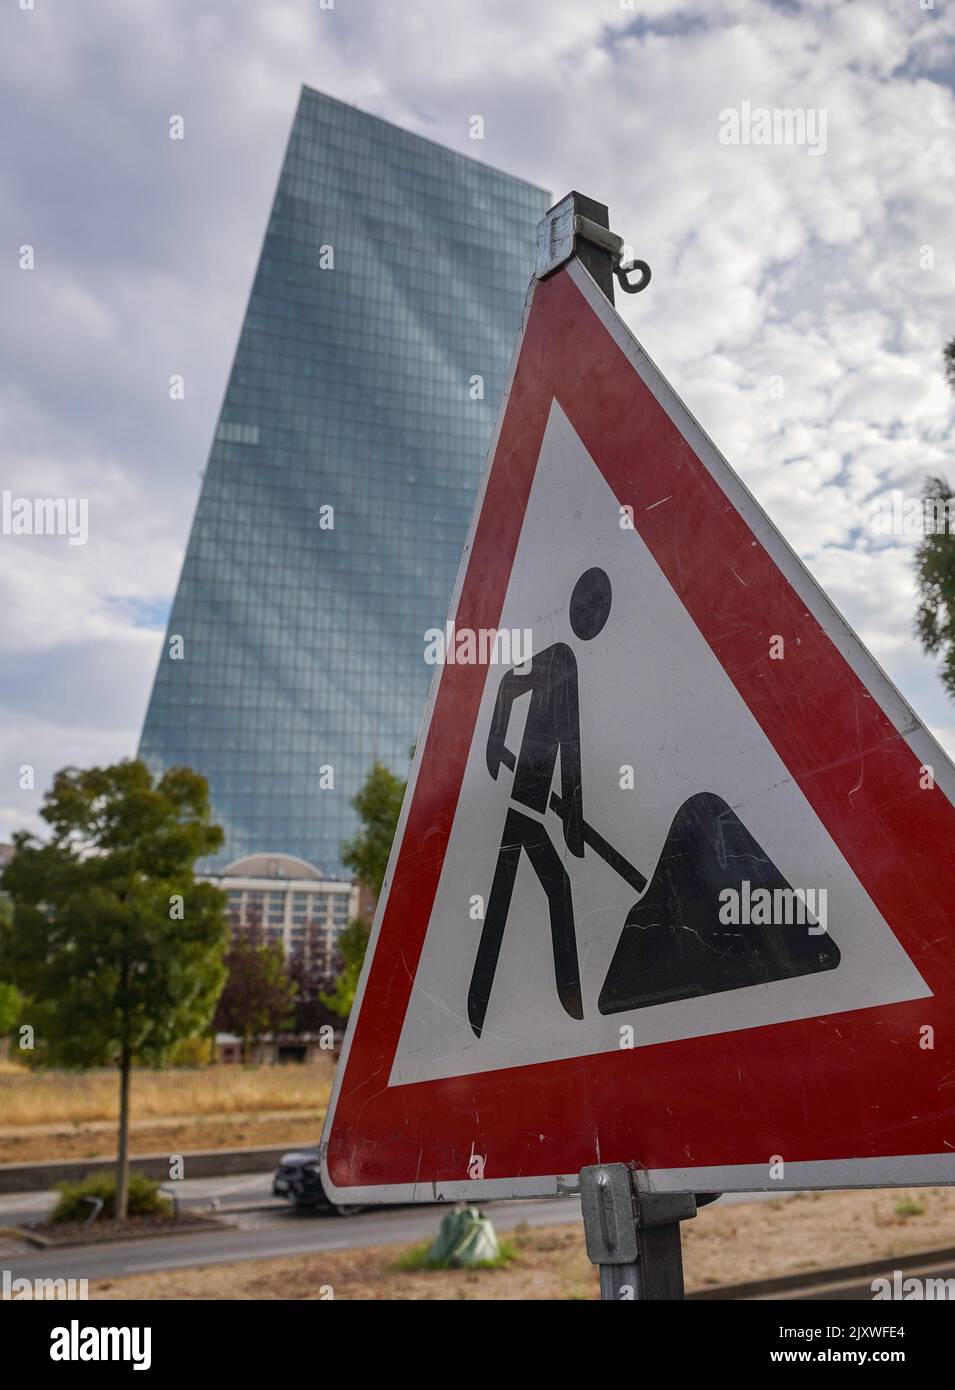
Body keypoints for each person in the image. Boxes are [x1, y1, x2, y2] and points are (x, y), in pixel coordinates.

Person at [467, 567, 612, 1037]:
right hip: (522, 805)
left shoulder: (571, 666)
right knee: (539, 891)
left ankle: (478, 1004)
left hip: (532, 808)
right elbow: (509, 681)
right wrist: (493, 741)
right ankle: (561, 1004)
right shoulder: (558, 657)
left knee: (514, 896)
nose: (597, 619)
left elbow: (572, 748)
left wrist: (573, 810)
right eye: (594, 609)